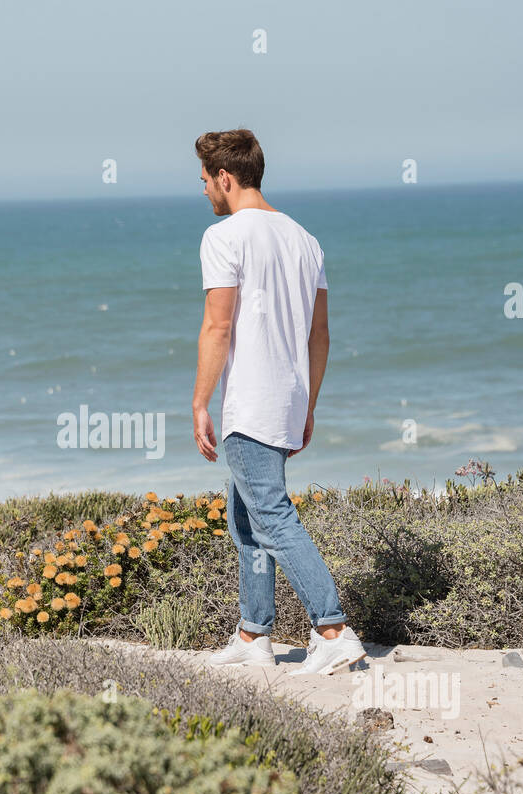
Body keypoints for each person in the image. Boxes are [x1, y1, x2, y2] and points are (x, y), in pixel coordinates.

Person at [191, 129, 366, 676]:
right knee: (245, 517)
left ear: (225, 177)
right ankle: (253, 635)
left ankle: (332, 629)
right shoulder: (304, 239)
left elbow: (218, 328)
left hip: (252, 402)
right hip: (288, 400)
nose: (203, 193)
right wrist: (308, 403)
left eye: (204, 181)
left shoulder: (224, 236)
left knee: (270, 516)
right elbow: (321, 335)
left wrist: (199, 402)